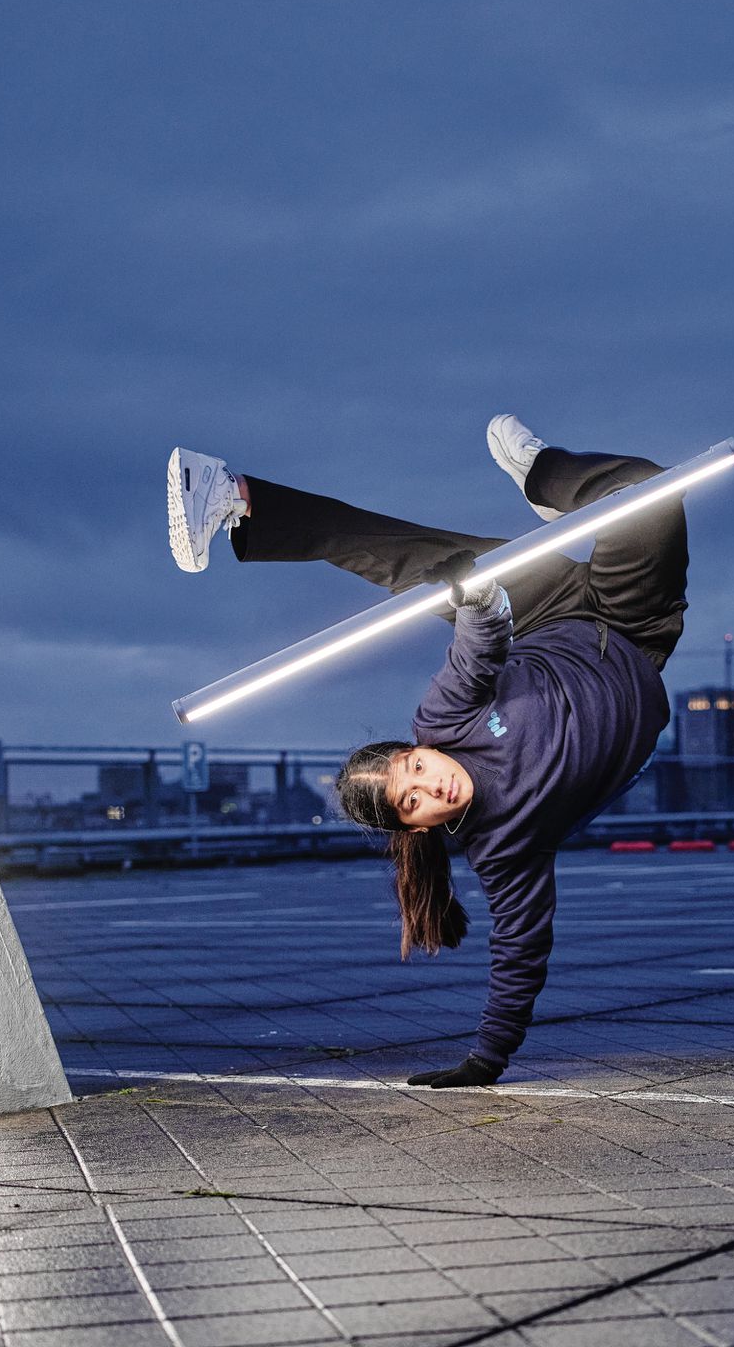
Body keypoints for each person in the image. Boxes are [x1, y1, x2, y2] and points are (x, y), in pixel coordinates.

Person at [166, 415, 690, 1088]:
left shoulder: (441, 720)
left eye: (415, 768)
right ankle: (554, 509)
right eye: (412, 802)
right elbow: (521, 949)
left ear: (420, 748)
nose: (430, 784)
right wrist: (485, 1061)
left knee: (424, 566)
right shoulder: (504, 847)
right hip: (635, 633)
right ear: (418, 828)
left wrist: (476, 599)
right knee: (646, 492)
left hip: (543, 614)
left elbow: (476, 655)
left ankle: (235, 495)